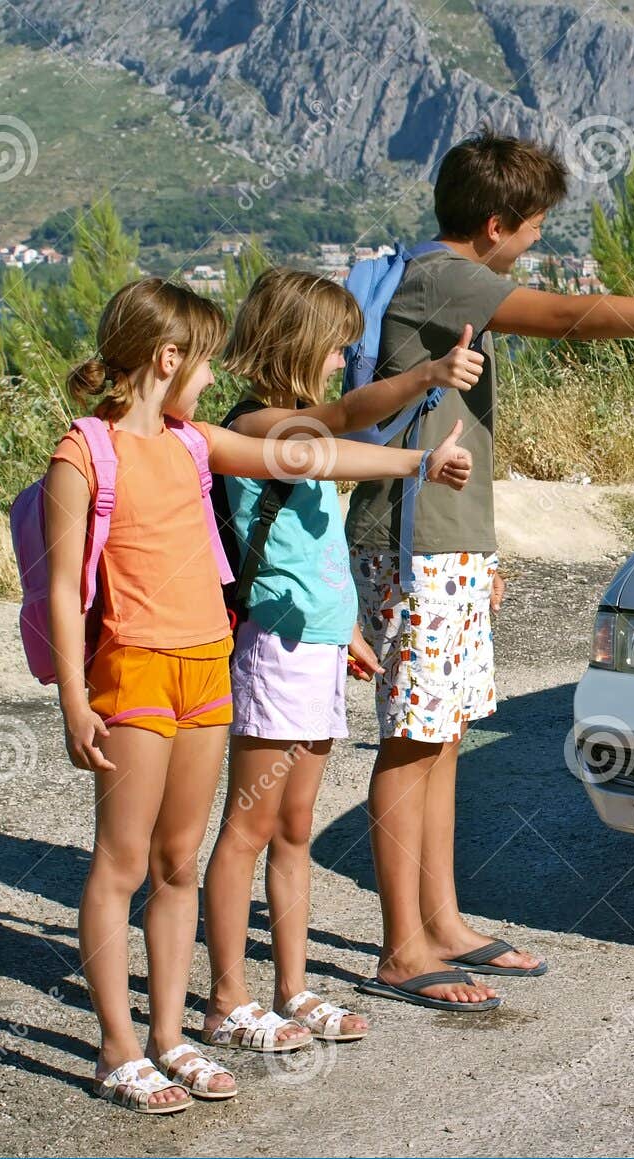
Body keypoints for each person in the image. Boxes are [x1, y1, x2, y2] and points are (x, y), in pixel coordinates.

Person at [345, 131, 634, 1010]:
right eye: (534, 229)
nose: (536, 244)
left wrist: (481, 554)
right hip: (415, 544)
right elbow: (576, 318)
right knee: (413, 739)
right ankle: (401, 950)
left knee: (446, 734)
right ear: (496, 224)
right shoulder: (445, 278)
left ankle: (443, 921)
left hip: (448, 546)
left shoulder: (451, 277)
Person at [47, 277, 473, 1113]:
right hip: (135, 670)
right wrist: (72, 695)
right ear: (168, 359)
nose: (211, 374)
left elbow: (316, 454)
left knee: (178, 861)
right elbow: (64, 588)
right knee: (126, 861)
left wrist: (417, 462)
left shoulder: (194, 442)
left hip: (206, 667)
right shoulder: (87, 453)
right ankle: (120, 1045)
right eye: (202, 361)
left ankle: (169, 1037)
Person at [201, 268, 488, 1054]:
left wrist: (347, 629)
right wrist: (423, 388)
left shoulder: (295, 427)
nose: (341, 359)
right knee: (248, 829)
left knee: (294, 828)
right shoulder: (258, 425)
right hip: (274, 650)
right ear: (299, 342)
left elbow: (315, 546)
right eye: (336, 346)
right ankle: (228, 998)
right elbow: (333, 431)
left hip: (319, 646)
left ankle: (291, 991)